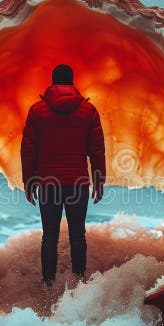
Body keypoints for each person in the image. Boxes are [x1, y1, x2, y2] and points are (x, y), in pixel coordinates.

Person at [20, 64, 106, 287]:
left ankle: (48, 284)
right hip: (78, 183)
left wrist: (29, 181)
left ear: (52, 82)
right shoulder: (88, 111)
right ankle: (78, 284)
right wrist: (99, 181)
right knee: (78, 235)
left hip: (48, 184)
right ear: (72, 82)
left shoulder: (37, 111)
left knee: (49, 236)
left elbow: (28, 149)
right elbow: (96, 150)